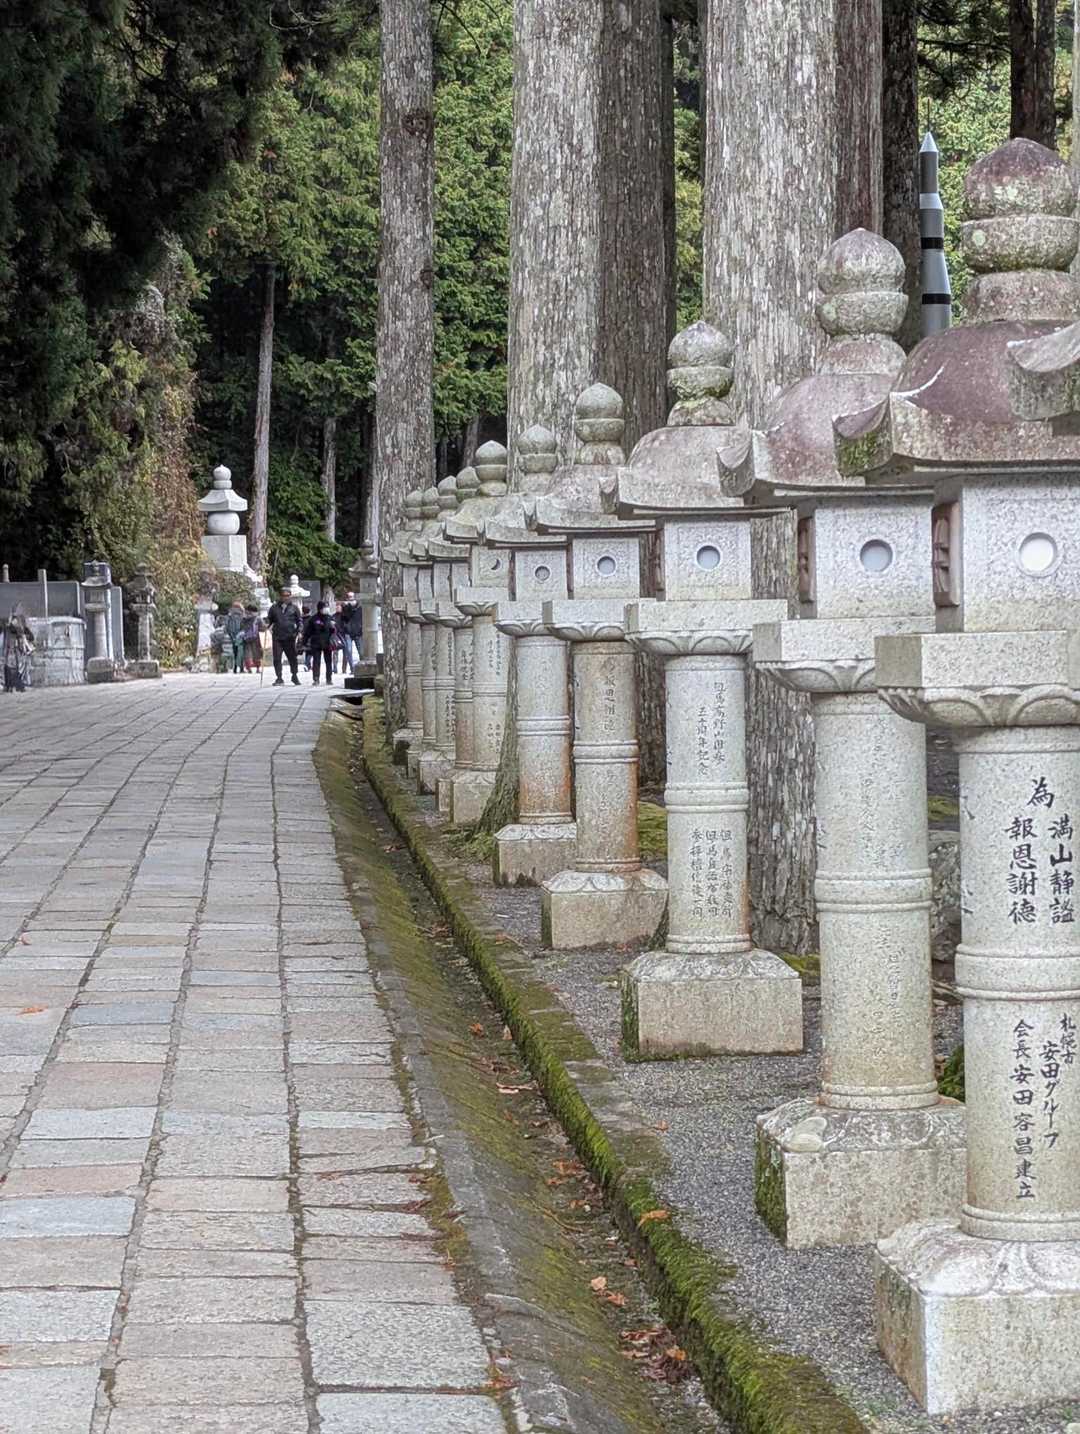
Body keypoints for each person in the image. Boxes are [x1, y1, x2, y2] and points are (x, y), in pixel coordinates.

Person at [266, 588, 302, 686]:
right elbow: (269, 620)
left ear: (290, 596)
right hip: (277, 637)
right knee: (277, 658)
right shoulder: (274, 608)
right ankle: (279, 677)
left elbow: (299, 621)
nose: (285, 597)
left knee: (292, 658)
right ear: (280, 596)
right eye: (283, 595)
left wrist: (299, 631)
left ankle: (294, 675)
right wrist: (266, 625)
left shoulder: (294, 608)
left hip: (290, 637)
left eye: (287, 595)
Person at [302, 601, 336, 686]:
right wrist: (304, 642)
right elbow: (308, 632)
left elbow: (335, 631)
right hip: (316, 643)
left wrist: (333, 627)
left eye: (327, 607)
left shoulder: (330, 618)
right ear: (320, 608)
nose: (326, 609)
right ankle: (316, 679)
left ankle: (329, 679)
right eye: (325, 607)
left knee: (328, 661)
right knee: (316, 662)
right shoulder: (313, 619)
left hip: (327, 643)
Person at [1, 609, 34, 693]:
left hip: (16, 653)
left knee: (17, 669)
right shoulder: (9, 630)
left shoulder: (18, 630)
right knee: (12, 669)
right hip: (12, 653)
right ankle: (13, 686)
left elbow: (27, 638)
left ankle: (16, 686)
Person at [223, 601, 246, 674]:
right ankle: (240, 668)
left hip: (233, 636)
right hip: (239, 636)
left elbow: (226, 627)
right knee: (241, 652)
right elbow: (244, 626)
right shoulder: (241, 616)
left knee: (236, 652)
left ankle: (236, 668)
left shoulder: (230, 616)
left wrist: (230, 635)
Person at [242, 605, 262, 673]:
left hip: (246, 637)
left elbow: (241, 627)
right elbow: (262, 627)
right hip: (255, 637)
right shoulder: (257, 618)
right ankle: (257, 668)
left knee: (247, 653)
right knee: (256, 653)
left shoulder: (244, 618)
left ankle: (249, 668)